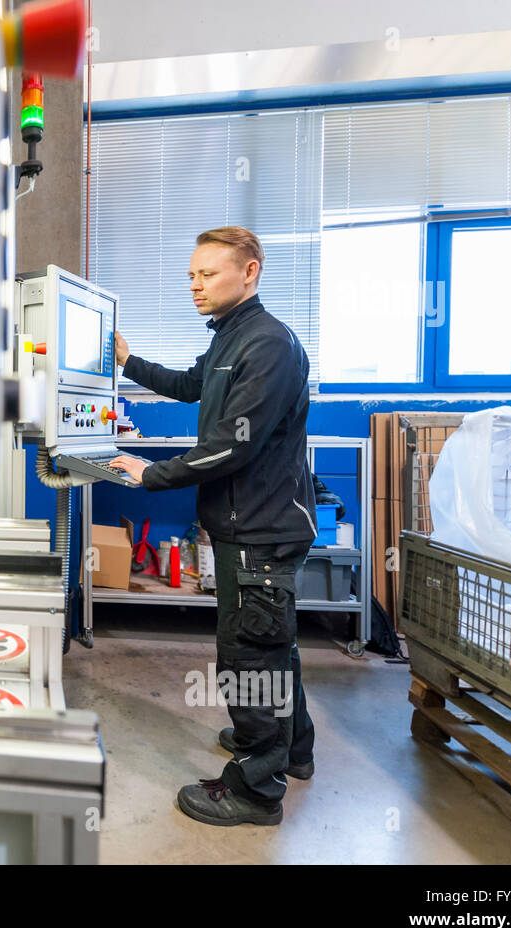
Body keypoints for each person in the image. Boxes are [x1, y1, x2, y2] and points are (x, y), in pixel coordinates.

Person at [108, 226, 317, 827]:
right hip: (251, 522)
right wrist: (127, 361)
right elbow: (188, 386)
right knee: (275, 646)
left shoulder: (268, 344)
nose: (194, 286)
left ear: (249, 272)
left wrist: (152, 474)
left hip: (259, 528)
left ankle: (256, 788)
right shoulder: (232, 337)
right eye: (191, 276)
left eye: (208, 274)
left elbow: (233, 448)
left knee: (249, 655)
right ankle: (292, 749)